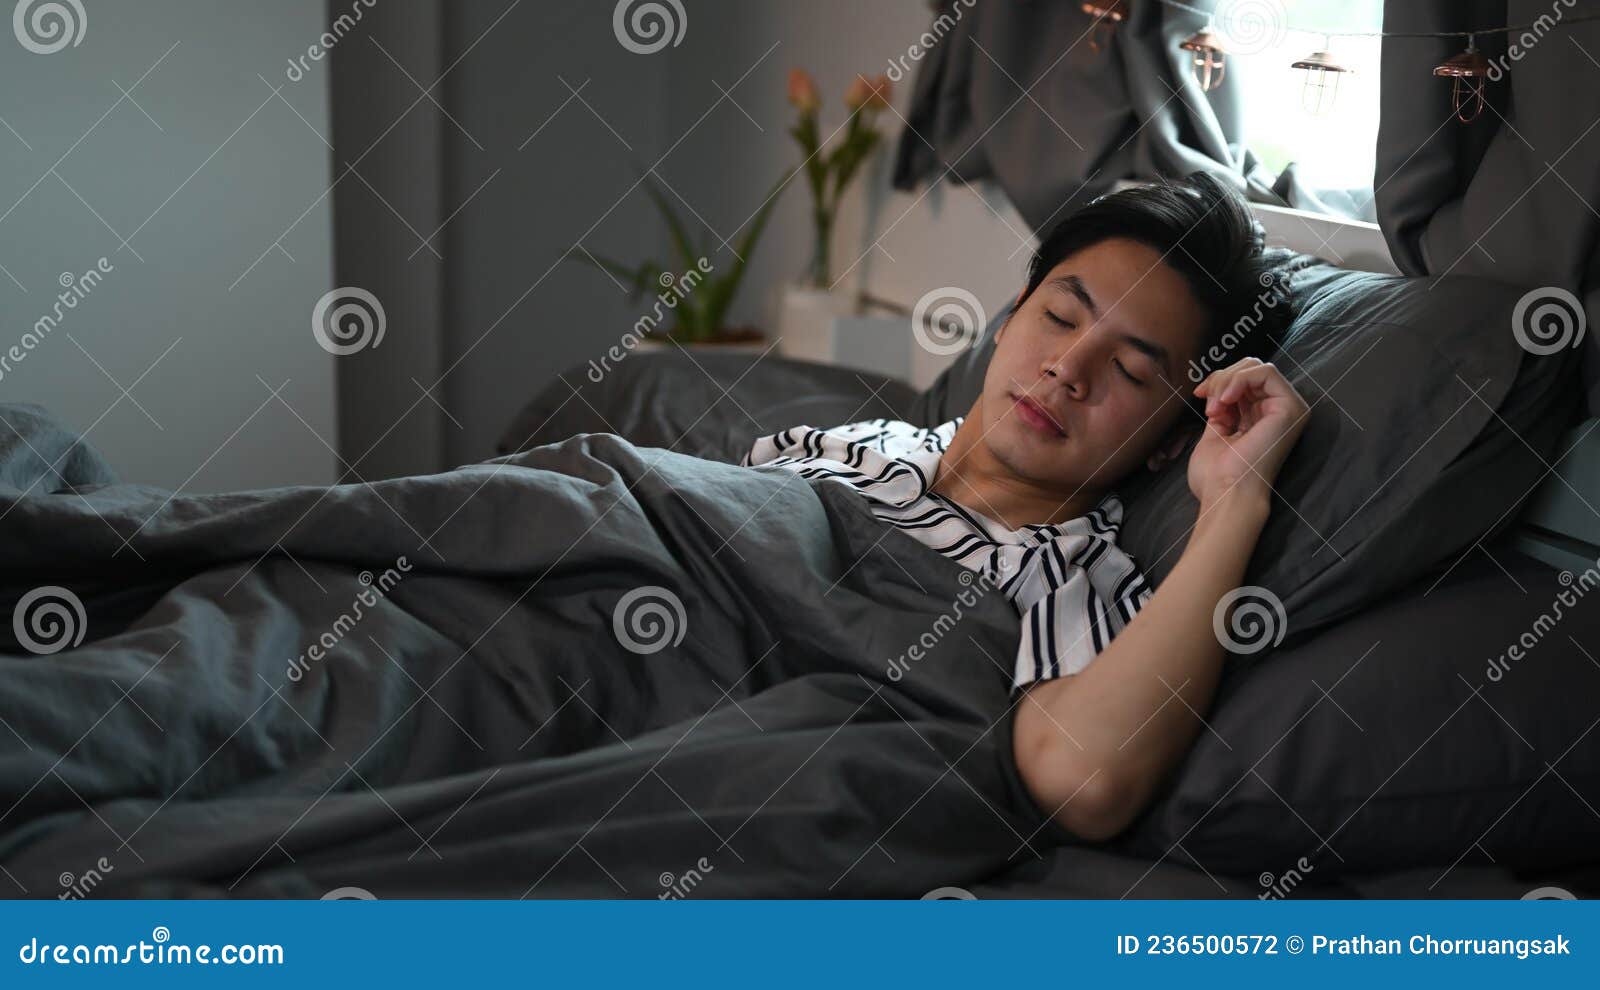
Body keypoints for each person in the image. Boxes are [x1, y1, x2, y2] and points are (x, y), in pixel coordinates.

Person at [742, 172, 1310, 842]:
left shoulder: (1066, 577)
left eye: (1129, 370)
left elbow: (1081, 780)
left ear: (1171, 440)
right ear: (1011, 316)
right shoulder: (857, 441)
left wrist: (1235, 499)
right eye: (1060, 318)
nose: (1068, 367)